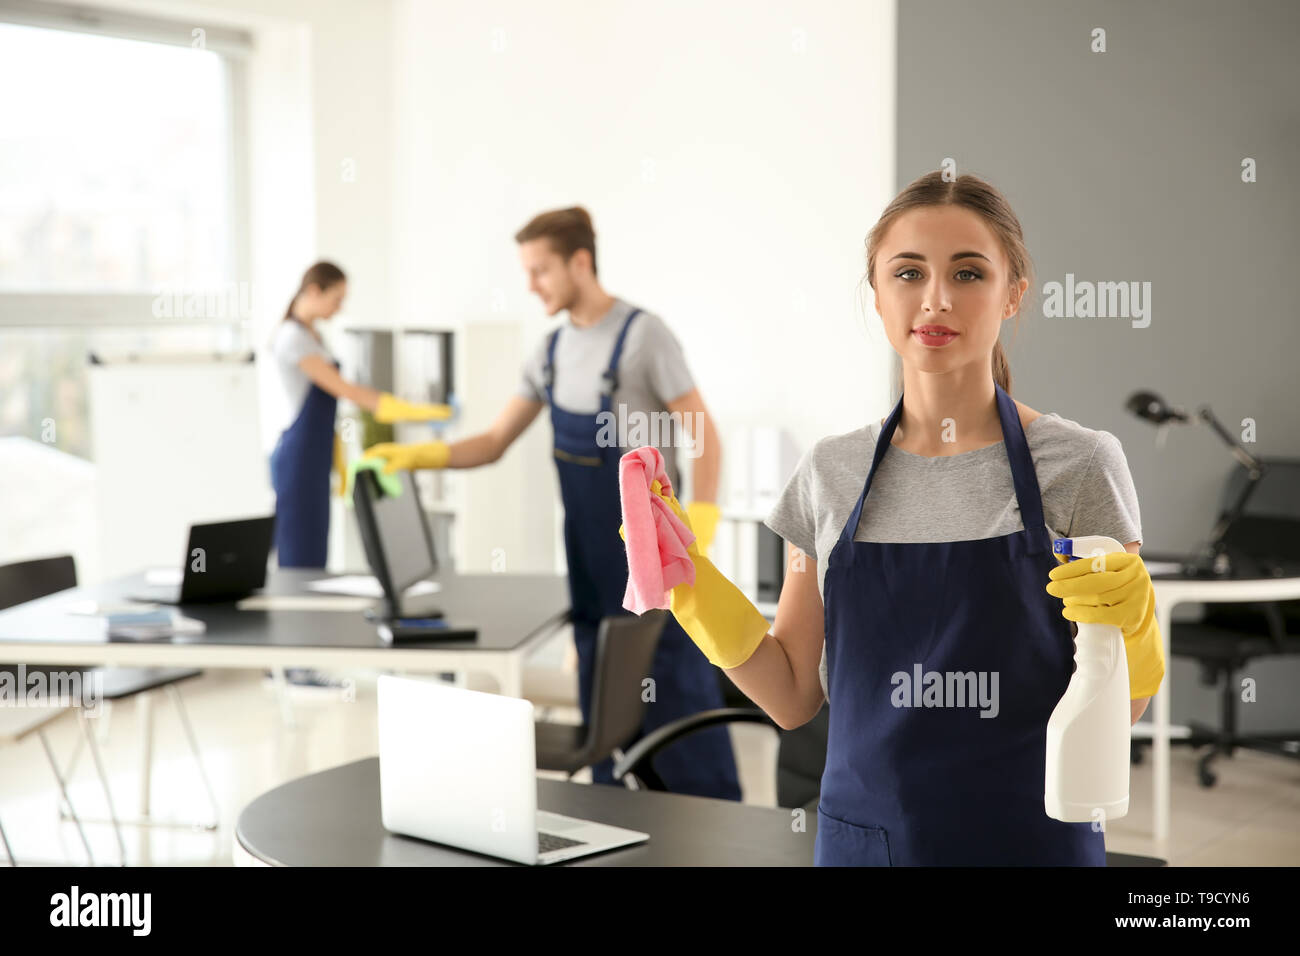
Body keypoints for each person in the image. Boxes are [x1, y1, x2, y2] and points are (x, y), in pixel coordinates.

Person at [644, 172, 1166, 864]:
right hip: (867, 845)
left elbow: (1118, 713)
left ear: (1013, 294)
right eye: (909, 272)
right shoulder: (830, 475)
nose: (937, 299)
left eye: (969, 273)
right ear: (879, 294)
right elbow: (794, 695)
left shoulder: (1080, 466)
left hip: (1031, 842)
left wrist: (1135, 632)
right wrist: (689, 586)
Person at [363, 208, 742, 800]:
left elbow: (703, 435)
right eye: (527, 272)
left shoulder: (644, 337)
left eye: (541, 270)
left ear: (580, 263)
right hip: (592, 569)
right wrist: (419, 457)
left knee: (676, 700)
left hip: (660, 565)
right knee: (605, 712)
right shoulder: (548, 354)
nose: (532, 284)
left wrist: (707, 522)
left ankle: (712, 830)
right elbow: (492, 442)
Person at [269, 261, 452, 570]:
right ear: (314, 291)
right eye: (336, 299)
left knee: (315, 547)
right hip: (297, 459)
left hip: (314, 454)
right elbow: (343, 389)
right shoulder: (292, 338)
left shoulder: (312, 335)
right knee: (300, 554)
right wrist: (403, 409)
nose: (339, 308)